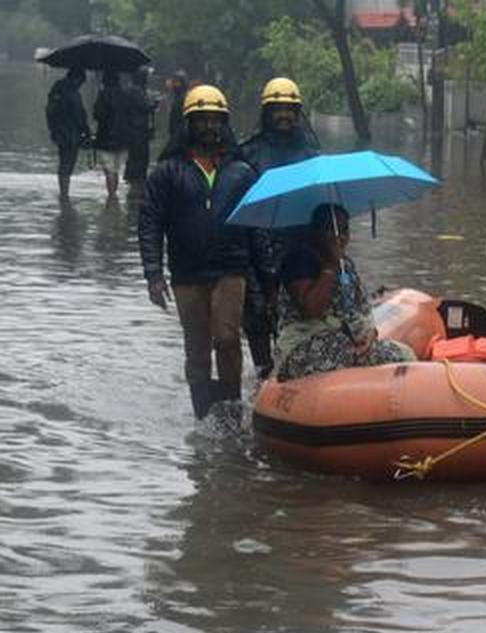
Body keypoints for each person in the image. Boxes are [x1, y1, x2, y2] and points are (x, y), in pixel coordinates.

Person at [138, 84, 276, 419]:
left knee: (227, 338)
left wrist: (268, 278)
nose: (210, 127)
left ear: (224, 124)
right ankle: (203, 413)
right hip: (186, 274)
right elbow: (150, 224)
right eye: (202, 120)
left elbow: (257, 227)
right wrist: (153, 275)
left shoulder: (241, 172)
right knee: (197, 349)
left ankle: (231, 408)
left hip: (231, 270)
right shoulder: (167, 173)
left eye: (216, 120)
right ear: (189, 123)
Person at [274, 204, 414, 381]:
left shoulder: (346, 265)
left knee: (401, 354)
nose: (339, 236)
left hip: (348, 342)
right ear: (315, 232)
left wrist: (369, 337)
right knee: (340, 350)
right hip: (305, 346)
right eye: (331, 230)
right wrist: (329, 267)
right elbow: (311, 309)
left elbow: (362, 311)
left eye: (344, 230)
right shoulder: (299, 261)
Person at [240, 77, 322, 379]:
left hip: (300, 247)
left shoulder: (312, 155)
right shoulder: (248, 153)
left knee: (301, 317)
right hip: (256, 247)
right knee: (257, 317)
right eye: (278, 109)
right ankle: (263, 378)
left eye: (290, 109)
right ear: (267, 112)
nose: (284, 115)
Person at [45, 67, 91, 199]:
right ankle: (64, 195)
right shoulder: (72, 94)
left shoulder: (57, 90)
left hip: (60, 133)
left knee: (64, 163)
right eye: (81, 82)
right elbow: (79, 116)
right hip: (71, 134)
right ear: (77, 79)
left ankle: (63, 193)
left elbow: (49, 112)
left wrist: (54, 131)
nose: (81, 85)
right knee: (68, 164)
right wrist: (86, 131)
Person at [92, 70, 130, 198]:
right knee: (116, 169)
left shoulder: (103, 95)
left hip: (106, 138)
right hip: (123, 139)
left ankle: (111, 196)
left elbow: (97, 115)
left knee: (109, 169)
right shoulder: (125, 95)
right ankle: (114, 196)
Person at [123, 67, 158, 188]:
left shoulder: (137, 90)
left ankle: (135, 179)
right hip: (137, 129)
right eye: (146, 76)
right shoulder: (136, 91)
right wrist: (155, 103)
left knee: (138, 154)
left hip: (138, 128)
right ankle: (136, 179)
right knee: (139, 155)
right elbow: (144, 107)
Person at [165, 70, 189, 141]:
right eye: (174, 82)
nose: (174, 84)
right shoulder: (177, 96)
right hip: (175, 131)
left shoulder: (184, 97)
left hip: (180, 133)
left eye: (177, 82)